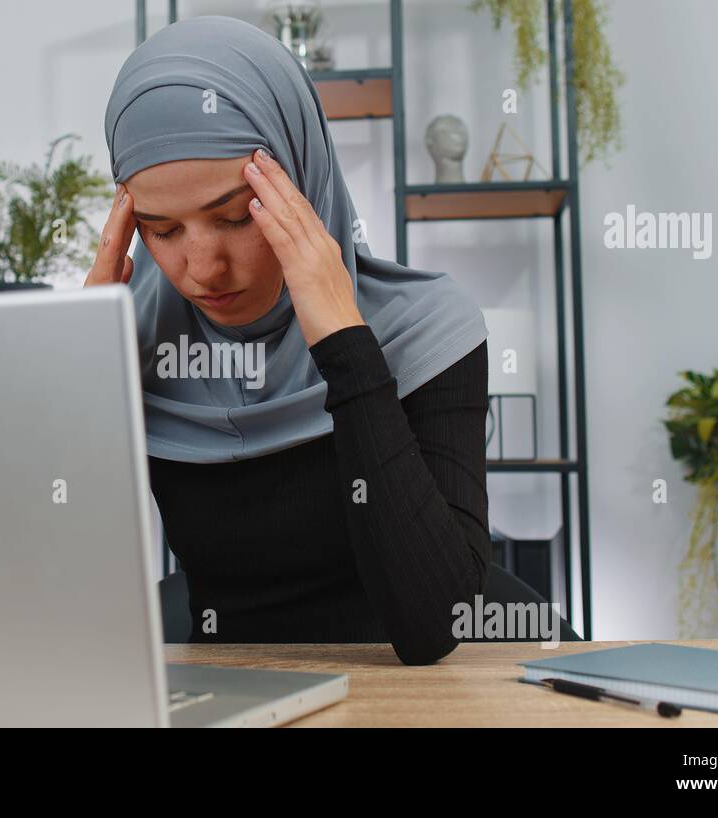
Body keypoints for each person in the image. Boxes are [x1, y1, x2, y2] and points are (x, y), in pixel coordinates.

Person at [86, 16, 490, 665]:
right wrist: (81, 374)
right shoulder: (134, 346)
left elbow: (434, 624)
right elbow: (66, 613)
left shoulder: (429, 329)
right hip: (227, 695)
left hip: (409, 698)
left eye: (235, 216)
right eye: (162, 229)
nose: (204, 267)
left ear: (304, 179)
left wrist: (341, 337)